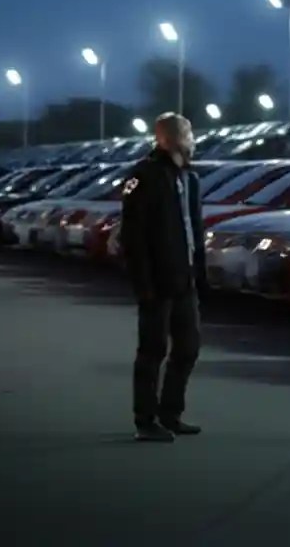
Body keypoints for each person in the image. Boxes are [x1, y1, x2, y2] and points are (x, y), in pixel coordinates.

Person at [120, 112, 208, 442]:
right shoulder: (143, 176)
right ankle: (145, 421)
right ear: (168, 139)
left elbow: (193, 229)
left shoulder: (190, 178)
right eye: (188, 134)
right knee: (152, 351)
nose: (193, 141)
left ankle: (171, 413)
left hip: (184, 279)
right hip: (156, 282)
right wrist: (142, 284)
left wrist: (199, 273)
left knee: (188, 347)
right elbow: (133, 235)